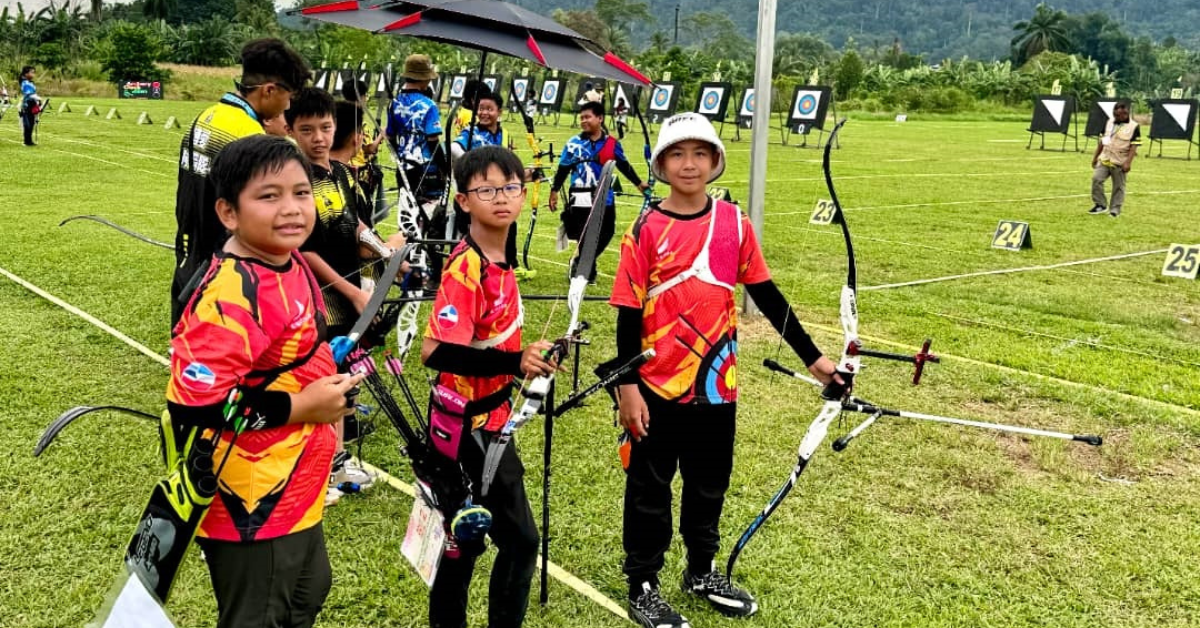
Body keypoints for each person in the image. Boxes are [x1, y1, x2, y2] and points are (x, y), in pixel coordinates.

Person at [609, 113, 841, 628]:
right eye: (677, 154)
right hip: (654, 387)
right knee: (649, 489)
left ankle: (699, 569)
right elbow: (628, 311)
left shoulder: (734, 223)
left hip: (717, 386)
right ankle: (643, 584)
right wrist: (627, 387)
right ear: (662, 164)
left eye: (699, 154)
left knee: (708, 483)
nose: (688, 165)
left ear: (715, 162)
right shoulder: (645, 228)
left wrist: (816, 359)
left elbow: (766, 294)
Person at [169, 134, 365, 628]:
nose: (292, 209)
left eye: (301, 192)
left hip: (298, 480)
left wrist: (328, 359)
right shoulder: (230, 297)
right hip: (252, 500)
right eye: (268, 196)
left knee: (308, 592)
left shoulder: (289, 258)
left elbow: (295, 342)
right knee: (260, 615)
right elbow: (196, 409)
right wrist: (301, 407)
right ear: (228, 213)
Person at [420, 145, 557, 628]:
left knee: (471, 542)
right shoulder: (468, 267)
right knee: (508, 542)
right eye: (486, 189)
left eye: (510, 187)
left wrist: (527, 355)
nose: (500, 198)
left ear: (524, 194)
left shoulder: (498, 261)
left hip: (491, 423)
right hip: (468, 431)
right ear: (463, 201)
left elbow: (489, 341)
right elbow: (435, 353)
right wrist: (515, 361)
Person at [288, 87, 408, 505]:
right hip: (318, 296)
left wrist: (384, 253)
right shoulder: (296, 182)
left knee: (340, 380)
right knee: (322, 379)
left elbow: (354, 225)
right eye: (307, 130)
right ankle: (322, 467)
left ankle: (335, 461)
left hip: (348, 289)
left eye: (325, 127)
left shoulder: (339, 173)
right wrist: (352, 293)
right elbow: (303, 250)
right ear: (291, 131)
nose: (319, 137)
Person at [172, 38, 311, 327]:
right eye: (289, 96)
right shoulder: (250, 138)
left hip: (190, 250)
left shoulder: (206, 115)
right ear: (269, 90)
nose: (288, 105)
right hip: (224, 263)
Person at [549, 101, 649, 257]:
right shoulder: (573, 143)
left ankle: (582, 263)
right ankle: (583, 269)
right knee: (585, 233)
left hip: (604, 197)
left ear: (600, 118)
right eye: (581, 118)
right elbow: (563, 168)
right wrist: (554, 190)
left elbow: (623, 165)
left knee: (607, 232)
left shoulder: (611, 143)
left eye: (587, 117)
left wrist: (639, 183)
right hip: (580, 194)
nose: (583, 121)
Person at [386, 53, 446, 205]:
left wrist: (400, 159)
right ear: (423, 79)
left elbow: (391, 138)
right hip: (426, 170)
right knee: (429, 218)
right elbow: (433, 141)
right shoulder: (428, 105)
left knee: (407, 216)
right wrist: (444, 167)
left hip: (403, 170)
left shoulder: (394, 103)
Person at [1089, 101, 1140, 218]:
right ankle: (1100, 204)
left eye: (1118, 115)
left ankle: (1114, 210)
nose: (1115, 117)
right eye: (1114, 114)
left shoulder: (1134, 126)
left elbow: (1134, 146)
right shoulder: (1109, 122)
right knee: (1096, 179)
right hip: (1105, 158)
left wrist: (1128, 162)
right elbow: (1102, 141)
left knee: (1118, 186)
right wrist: (1095, 157)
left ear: (1125, 114)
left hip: (1119, 161)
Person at [18, 66, 42, 146]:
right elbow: (29, 94)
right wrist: (38, 98)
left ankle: (29, 141)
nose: (33, 74)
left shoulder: (30, 82)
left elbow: (33, 93)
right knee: (27, 124)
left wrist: (38, 100)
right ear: (26, 73)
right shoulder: (24, 82)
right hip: (26, 105)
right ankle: (26, 141)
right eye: (32, 72)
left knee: (32, 123)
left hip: (32, 104)